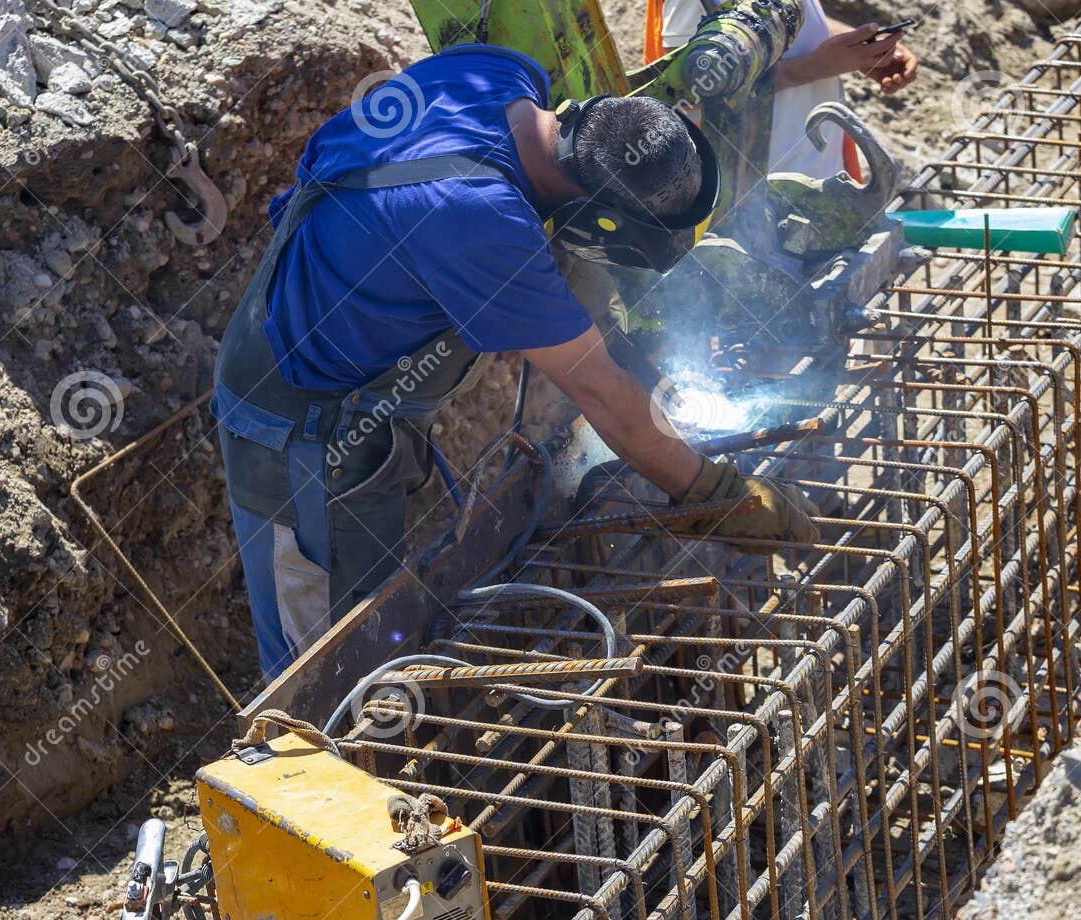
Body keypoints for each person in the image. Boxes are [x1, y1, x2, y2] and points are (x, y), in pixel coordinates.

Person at [214, 42, 820, 679]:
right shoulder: (482, 221)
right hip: (297, 432)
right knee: (332, 670)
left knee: (380, 628)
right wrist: (718, 493)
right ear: (598, 220)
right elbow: (601, 392)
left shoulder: (501, 71)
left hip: (331, 350)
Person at [651, 0, 918, 179]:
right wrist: (816, 66)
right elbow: (687, 92)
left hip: (823, 171)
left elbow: (798, 22)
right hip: (763, 196)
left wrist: (860, 47)